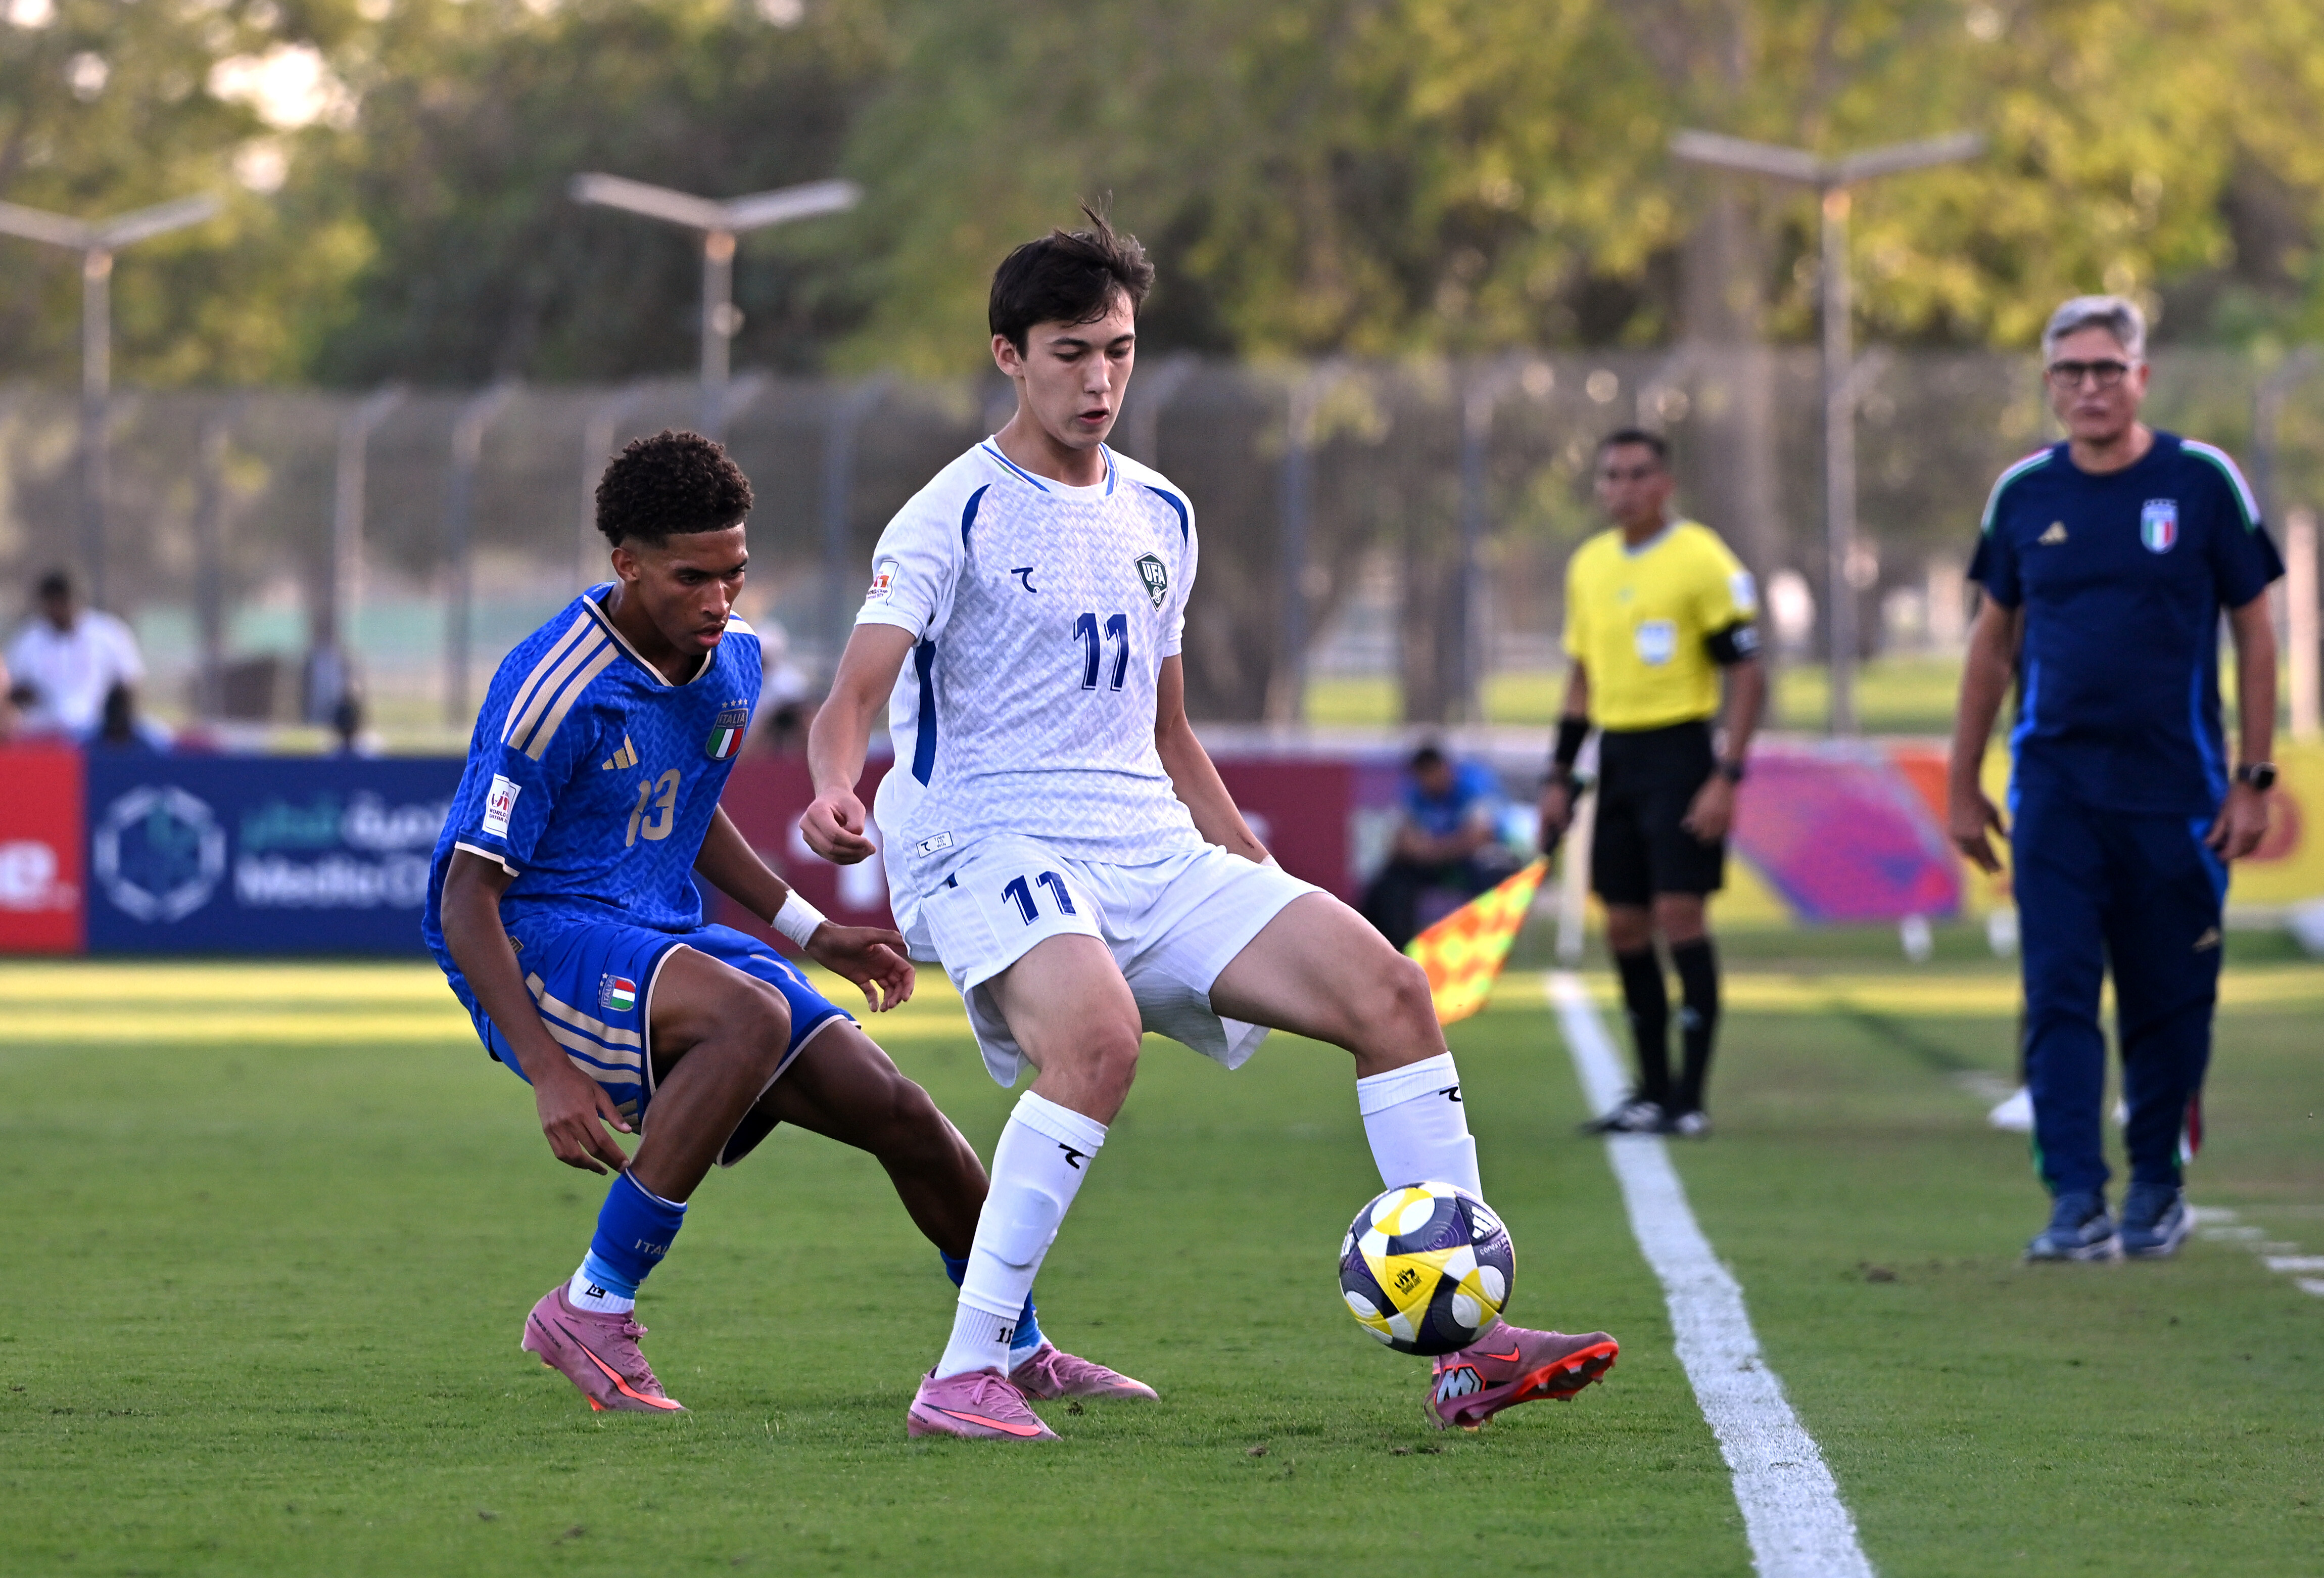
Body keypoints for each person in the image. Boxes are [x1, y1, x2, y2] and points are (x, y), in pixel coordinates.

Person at [803, 208, 1619, 1443]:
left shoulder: (1162, 514)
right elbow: (853, 694)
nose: (1099, 379)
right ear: (1008, 356)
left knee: (1392, 992)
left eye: (1119, 351)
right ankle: (965, 1375)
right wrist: (832, 786)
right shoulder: (949, 513)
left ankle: (1471, 1349)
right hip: (984, 839)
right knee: (1098, 1038)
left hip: (1149, 843)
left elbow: (1169, 727)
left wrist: (1250, 863)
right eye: (1071, 353)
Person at [424, 430, 1144, 1415]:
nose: (719, 600)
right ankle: (592, 1304)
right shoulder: (555, 688)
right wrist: (547, 1068)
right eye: (691, 578)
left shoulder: (731, 663)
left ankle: (1011, 1344)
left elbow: (686, 809)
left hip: (657, 934)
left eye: (735, 573)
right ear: (626, 563)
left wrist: (813, 932)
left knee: (901, 1114)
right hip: (541, 941)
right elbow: (465, 896)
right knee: (747, 1017)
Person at [1946, 295, 2281, 1263]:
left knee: (2166, 1000)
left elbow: (2255, 634)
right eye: (2069, 371)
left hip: (2175, 794)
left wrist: (2251, 777)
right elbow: (1990, 645)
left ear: (2139, 377)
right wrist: (1962, 781)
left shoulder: (2201, 480)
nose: (2087, 386)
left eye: (2105, 368)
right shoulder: (2021, 494)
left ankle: (2156, 1187)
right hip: (2053, 793)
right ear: (2047, 385)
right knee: (2055, 994)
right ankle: (2073, 1200)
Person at [1539, 430, 1765, 1140]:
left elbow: (1747, 675)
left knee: (1679, 915)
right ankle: (1650, 1090)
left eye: (1638, 475)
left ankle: (1689, 1099)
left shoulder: (1701, 558)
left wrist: (1726, 775)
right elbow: (1581, 678)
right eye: (1611, 475)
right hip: (1618, 758)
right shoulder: (1589, 565)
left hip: (1681, 755)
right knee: (1623, 924)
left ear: (1665, 483)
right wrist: (1558, 775)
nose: (1624, 488)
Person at [1361, 744, 1514, 951]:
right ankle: (1392, 949)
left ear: (1443, 769)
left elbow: (1479, 836)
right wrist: (1435, 849)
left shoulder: (1470, 787)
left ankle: (1487, 946)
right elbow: (1400, 841)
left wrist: (1432, 849)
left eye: (1429, 774)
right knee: (1389, 881)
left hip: (1466, 862)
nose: (1426, 781)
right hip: (1433, 863)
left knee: (1492, 872)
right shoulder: (1414, 794)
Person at [6, 569, 146, 739]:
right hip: (44, 734)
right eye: (51, 603)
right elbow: (12, 693)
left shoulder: (107, 634)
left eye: (62, 602)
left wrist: (117, 716)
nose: (57, 610)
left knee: (154, 739)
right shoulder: (28, 641)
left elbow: (129, 683)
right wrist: (26, 696)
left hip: (97, 732)